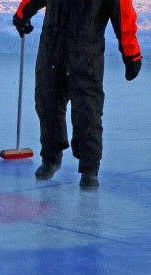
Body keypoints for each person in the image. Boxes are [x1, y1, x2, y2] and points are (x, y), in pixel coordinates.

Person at [13, 0, 141, 190]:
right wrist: (23, 13)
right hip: (51, 48)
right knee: (47, 104)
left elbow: (123, 14)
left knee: (87, 112)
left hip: (85, 55)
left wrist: (131, 53)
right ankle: (50, 158)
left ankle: (90, 169)